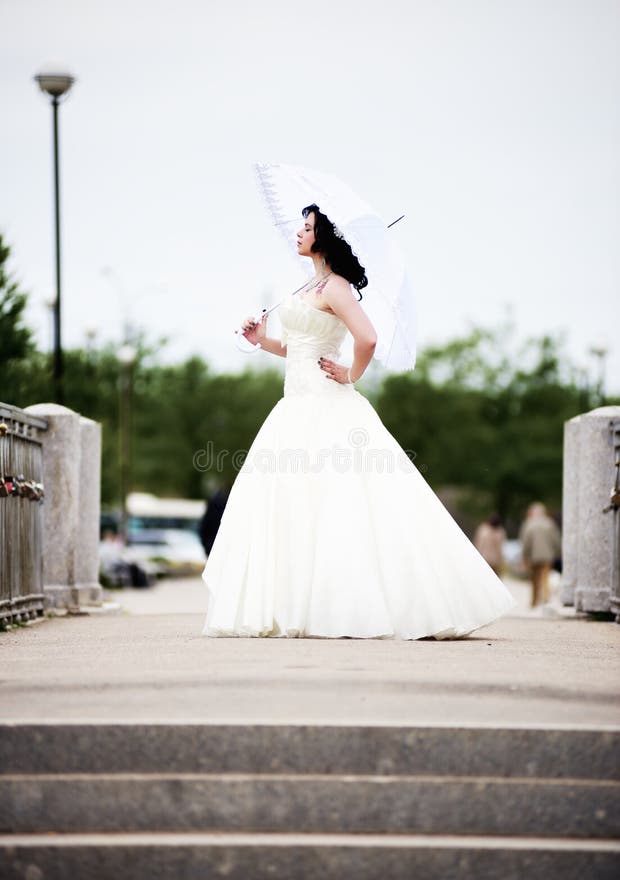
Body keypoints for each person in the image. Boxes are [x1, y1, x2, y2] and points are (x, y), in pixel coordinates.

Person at [201, 205, 516, 639]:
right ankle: (302, 607)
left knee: (343, 503)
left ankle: (366, 607)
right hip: (295, 405)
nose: (298, 232)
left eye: (307, 228)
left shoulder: (336, 287)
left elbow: (367, 338)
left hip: (328, 403)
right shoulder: (308, 284)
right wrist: (260, 341)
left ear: (323, 238)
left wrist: (351, 373)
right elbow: (295, 349)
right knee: (296, 505)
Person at [518, 502, 562, 608]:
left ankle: (534, 601)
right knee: (545, 577)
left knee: (534, 579)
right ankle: (546, 598)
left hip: (533, 556)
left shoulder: (529, 524)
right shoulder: (549, 524)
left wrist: (524, 556)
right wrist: (558, 552)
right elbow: (556, 540)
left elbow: (525, 541)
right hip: (547, 556)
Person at [473, 513, 507, 578]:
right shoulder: (500, 532)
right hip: (494, 562)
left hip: (484, 559)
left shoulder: (483, 529)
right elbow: (500, 550)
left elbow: (478, 544)